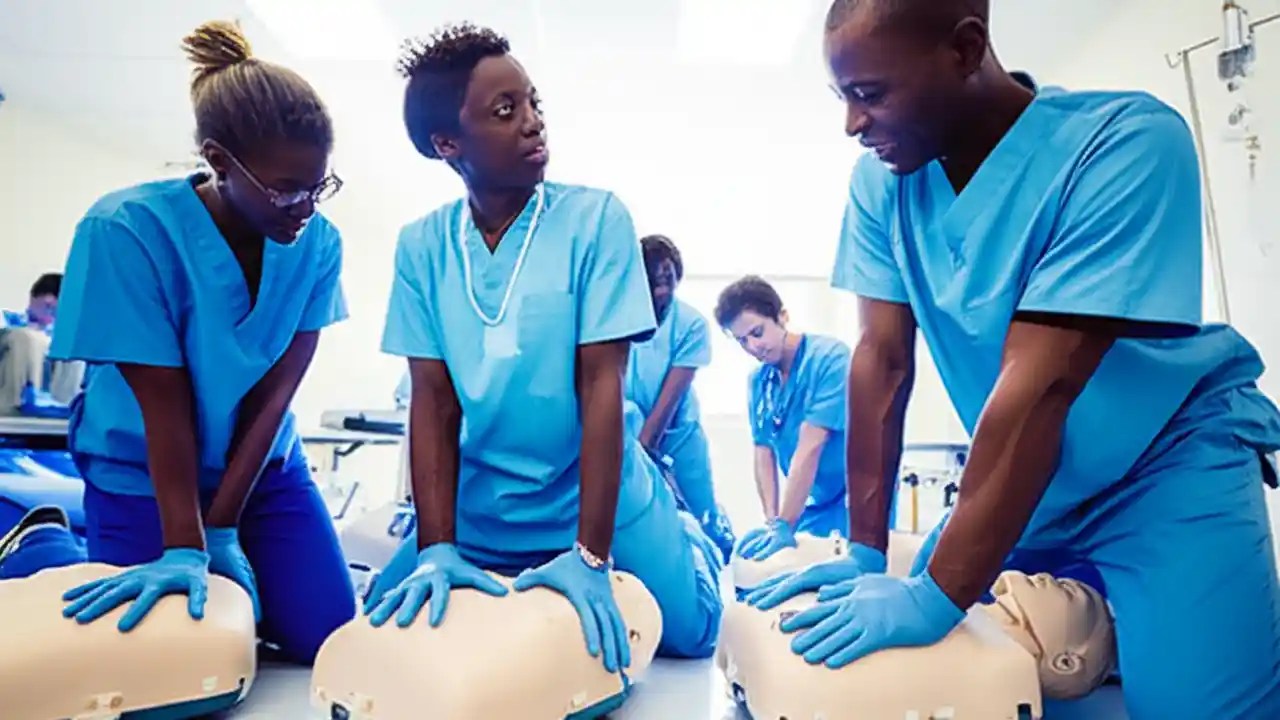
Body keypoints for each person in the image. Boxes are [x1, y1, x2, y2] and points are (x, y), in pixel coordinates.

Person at [749, 1, 1280, 717]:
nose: (851, 123)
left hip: (1165, 463)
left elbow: (1047, 382)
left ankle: (1143, 622)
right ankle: (1105, 623)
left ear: (967, 51)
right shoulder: (883, 183)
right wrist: (866, 552)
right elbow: (881, 362)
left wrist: (937, 597)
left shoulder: (1124, 143)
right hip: (1030, 477)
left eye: (870, 94)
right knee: (976, 675)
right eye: (842, 96)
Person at [367, 22, 723, 670]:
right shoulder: (422, 247)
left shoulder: (597, 220)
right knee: (381, 625)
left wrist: (592, 554)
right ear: (448, 143)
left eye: (534, 103)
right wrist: (435, 548)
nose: (533, 122)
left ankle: (688, 535)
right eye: (507, 110)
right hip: (480, 504)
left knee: (691, 634)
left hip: (593, 496)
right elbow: (434, 403)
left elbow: (601, 386)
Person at [46, 20, 354, 664]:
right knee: (164, 660)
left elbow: (276, 394)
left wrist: (221, 526)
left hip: (261, 464)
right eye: (286, 190)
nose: (305, 209)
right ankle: (40, 548)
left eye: (318, 188)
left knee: (325, 634)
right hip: (141, 467)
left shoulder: (318, 243)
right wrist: (186, 545)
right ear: (218, 161)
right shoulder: (125, 229)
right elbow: (165, 402)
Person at [715, 275, 856, 561]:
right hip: (809, 503)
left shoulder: (830, 359)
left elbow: (811, 446)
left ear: (782, 317)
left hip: (854, 499)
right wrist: (772, 522)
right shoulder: (760, 380)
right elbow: (763, 452)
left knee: (844, 578)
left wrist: (785, 523)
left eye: (757, 333)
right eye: (742, 341)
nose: (753, 347)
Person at [626, 234, 734, 561]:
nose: (661, 287)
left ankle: (720, 546)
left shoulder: (690, 325)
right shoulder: (619, 319)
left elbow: (667, 403)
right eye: (653, 279)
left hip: (677, 437)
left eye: (668, 278)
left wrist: (647, 447)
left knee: (701, 521)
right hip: (627, 432)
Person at [0, 273, 84, 412]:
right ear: (33, 298)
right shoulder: (12, 324)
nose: (49, 314)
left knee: (72, 349)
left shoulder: (60, 334)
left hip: (52, 398)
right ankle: (15, 406)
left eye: (55, 310)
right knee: (27, 338)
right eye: (47, 306)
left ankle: (63, 409)